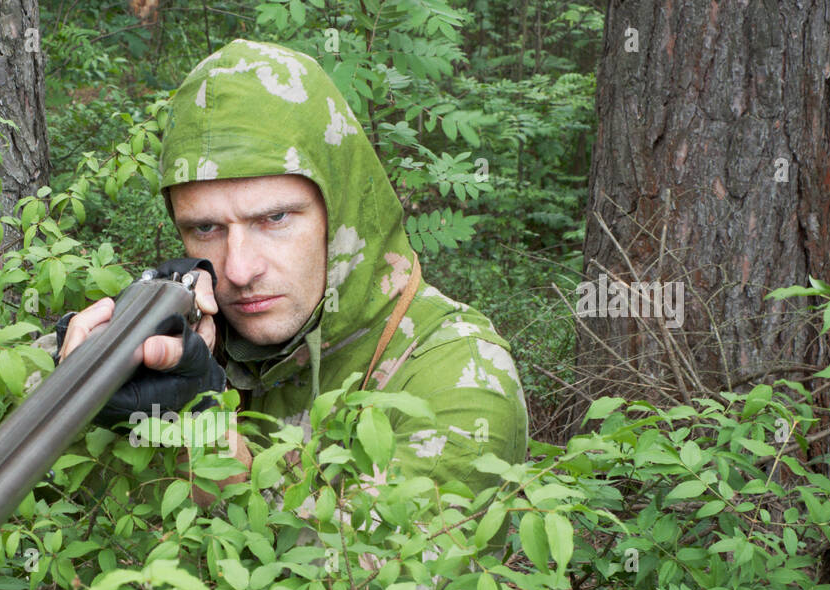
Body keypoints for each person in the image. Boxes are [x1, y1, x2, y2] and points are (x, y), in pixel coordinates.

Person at [55, 38, 529, 508]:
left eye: (275, 218)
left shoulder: (462, 373)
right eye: (205, 228)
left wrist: (203, 428)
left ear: (341, 211)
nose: (239, 270)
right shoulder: (200, 335)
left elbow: (359, 579)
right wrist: (96, 366)